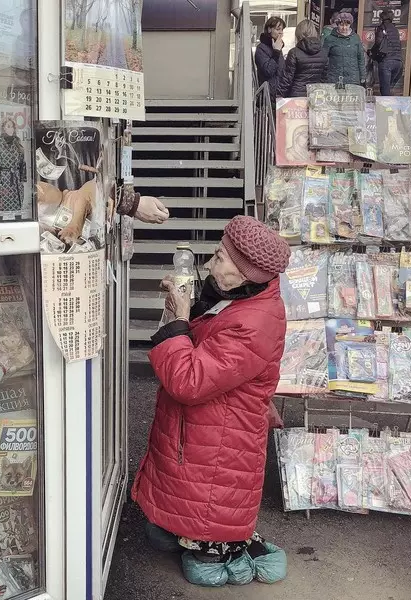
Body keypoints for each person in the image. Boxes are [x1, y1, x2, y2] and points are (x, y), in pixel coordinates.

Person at [132, 216, 291, 569]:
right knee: (190, 490)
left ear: (246, 273)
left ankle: (215, 549)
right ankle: (181, 529)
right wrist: (186, 307)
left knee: (210, 499)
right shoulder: (242, 299)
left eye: (219, 258)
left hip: (221, 434)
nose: (208, 264)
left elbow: (188, 381)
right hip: (209, 429)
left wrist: (178, 321)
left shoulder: (254, 323)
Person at [279, 19, 328, 98]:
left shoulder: (294, 52)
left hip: (296, 96)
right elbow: (324, 78)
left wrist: (279, 96)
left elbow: (287, 79)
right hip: (316, 96)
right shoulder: (323, 53)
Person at [323, 12, 366, 86]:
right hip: (334, 77)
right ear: (337, 24)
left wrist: (363, 76)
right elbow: (324, 58)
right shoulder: (329, 39)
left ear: (350, 25)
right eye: (341, 24)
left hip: (353, 78)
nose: (344, 28)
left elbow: (361, 58)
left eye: (347, 25)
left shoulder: (356, 38)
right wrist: (327, 73)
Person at [370, 9, 403, 96]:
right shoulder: (395, 29)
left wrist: (371, 52)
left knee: (385, 91)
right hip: (398, 62)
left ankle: (386, 109)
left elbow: (378, 43)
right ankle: (391, 108)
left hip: (386, 61)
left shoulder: (382, 28)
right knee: (389, 88)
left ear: (382, 18)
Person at [255, 16, 286, 98]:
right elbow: (268, 71)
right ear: (269, 29)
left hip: (280, 93)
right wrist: (276, 52)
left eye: (282, 30)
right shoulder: (261, 48)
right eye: (278, 29)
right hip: (268, 96)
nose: (280, 32)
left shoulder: (278, 47)